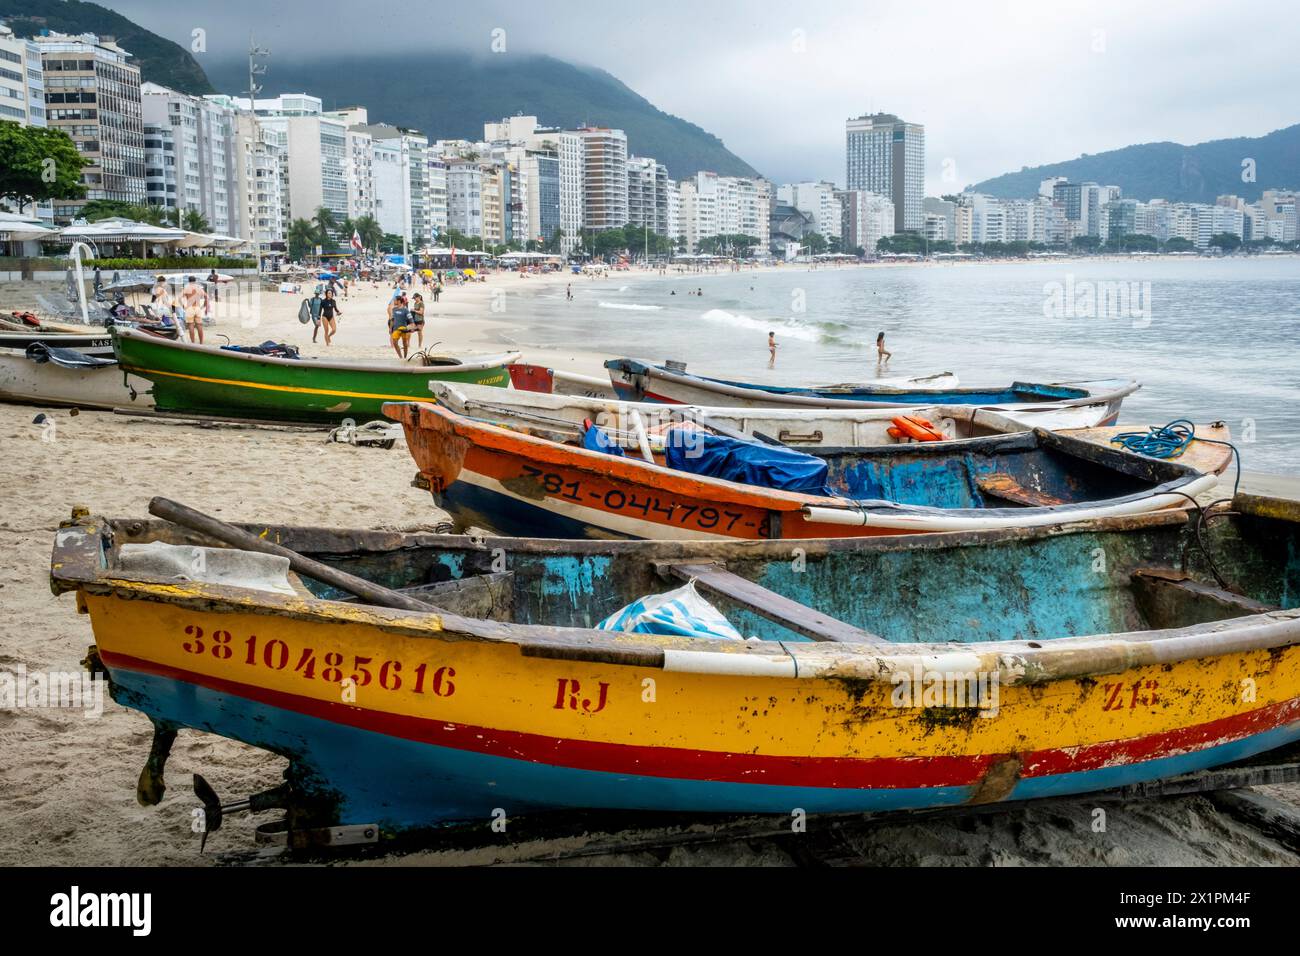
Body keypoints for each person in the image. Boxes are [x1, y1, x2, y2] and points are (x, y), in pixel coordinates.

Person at [180, 275, 207, 344]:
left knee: (190, 325)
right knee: (199, 325)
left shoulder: (186, 288)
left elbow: (179, 298)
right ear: (195, 281)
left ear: (188, 281)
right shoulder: (199, 288)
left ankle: (193, 342)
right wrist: (204, 305)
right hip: (197, 308)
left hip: (189, 308)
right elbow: (206, 297)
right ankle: (201, 342)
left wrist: (183, 306)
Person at [387, 293, 412, 358]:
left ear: (398, 301)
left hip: (403, 329)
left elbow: (410, 319)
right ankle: (400, 357)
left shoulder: (405, 310)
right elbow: (392, 319)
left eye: (395, 300)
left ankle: (405, 357)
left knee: (405, 344)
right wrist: (390, 328)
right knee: (395, 342)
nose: (394, 301)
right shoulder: (394, 309)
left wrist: (409, 327)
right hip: (395, 328)